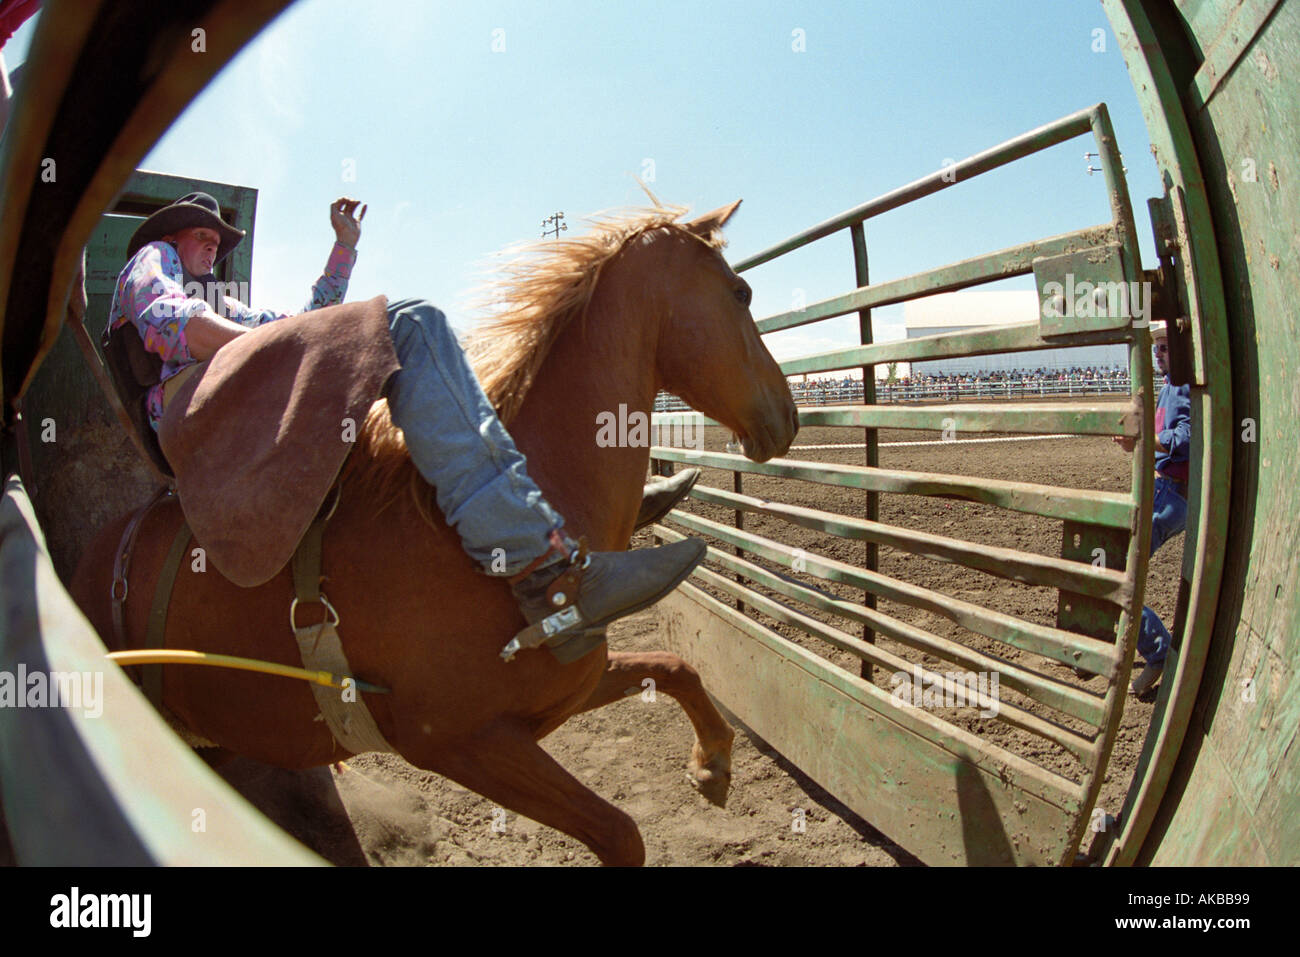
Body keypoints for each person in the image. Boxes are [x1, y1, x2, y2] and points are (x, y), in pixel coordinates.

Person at [106, 191, 703, 663]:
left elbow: (293, 320)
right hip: (193, 413)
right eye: (202, 235)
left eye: (218, 238)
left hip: (226, 406)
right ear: (171, 236)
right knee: (409, 326)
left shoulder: (219, 297)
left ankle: (533, 512)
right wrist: (282, 352)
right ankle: (544, 567)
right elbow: (170, 325)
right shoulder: (152, 261)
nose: (213, 245)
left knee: (389, 348)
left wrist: (342, 254)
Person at [1113, 320, 1190, 694]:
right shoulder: (1170, 387)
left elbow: (1187, 438)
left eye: (1164, 347)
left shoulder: (1182, 385)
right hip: (1169, 491)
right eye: (1156, 348)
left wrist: (1146, 438)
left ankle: (1156, 651)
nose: (1158, 354)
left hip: (1170, 492)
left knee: (1119, 571)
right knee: (1122, 568)